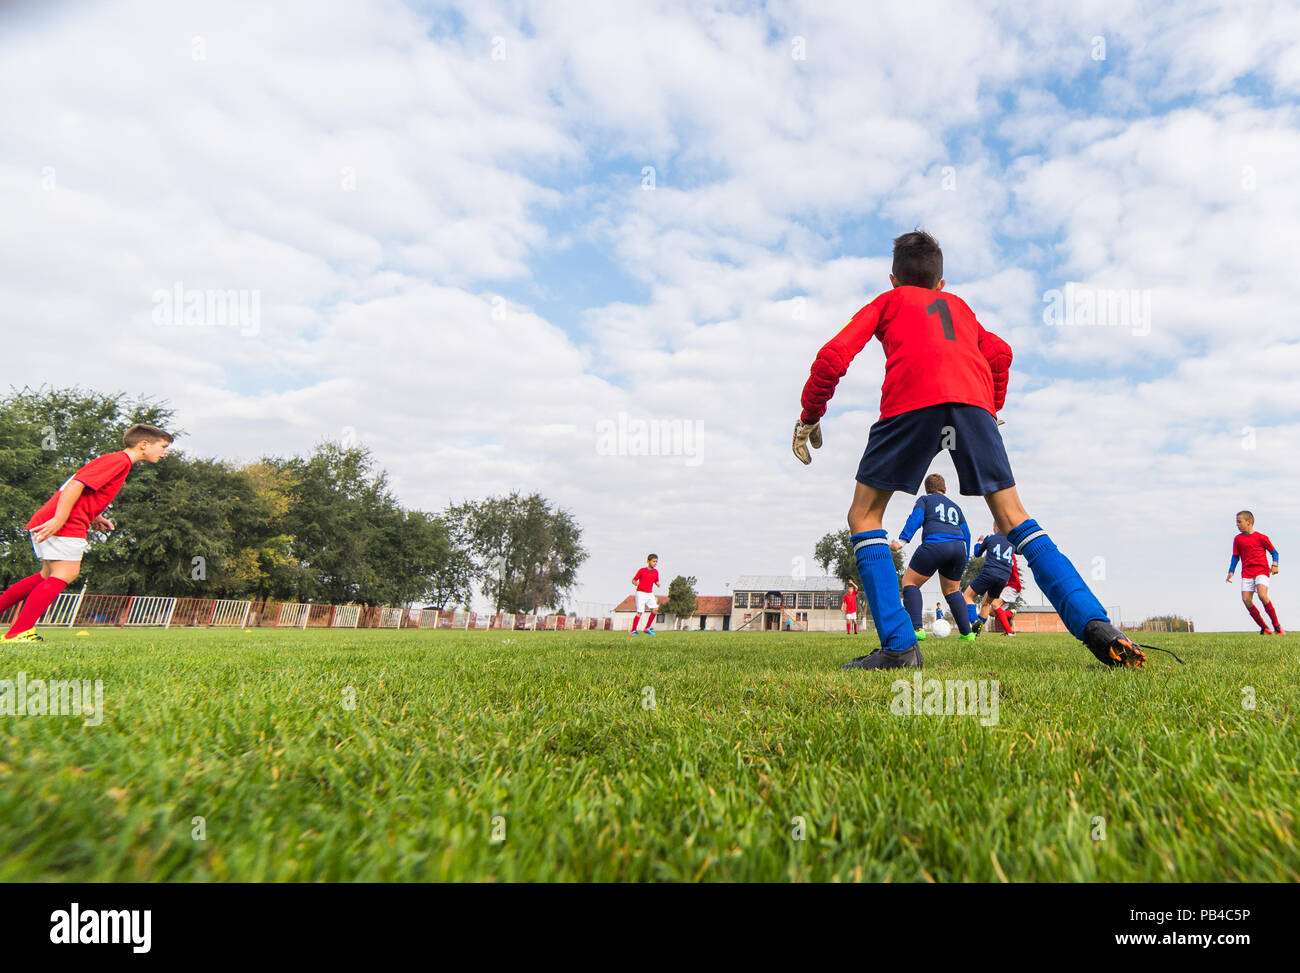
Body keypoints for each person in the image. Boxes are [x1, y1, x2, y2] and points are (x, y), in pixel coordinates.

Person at [792, 230, 1146, 670]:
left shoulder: (888, 302)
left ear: (893, 280)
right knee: (1016, 518)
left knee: (865, 517)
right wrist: (990, 410)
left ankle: (900, 648)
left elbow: (833, 356)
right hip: (973, 407)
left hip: (910, 403)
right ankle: (1098, 625)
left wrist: (810, 413)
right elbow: (1000, 352)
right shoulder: (959, 307)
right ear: (940, 284)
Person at [0, 424, 173, 642]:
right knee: (66, 573)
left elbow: (85, 491)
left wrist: (95, 516)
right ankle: (18, 633)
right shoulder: (118, 461)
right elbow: (75, 486)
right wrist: (60, 519)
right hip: (64, 522)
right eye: (163, 446)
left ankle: (18, 630)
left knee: (46, 575)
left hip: (60, 519)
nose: (165, 452)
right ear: (144, 445)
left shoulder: (118, 462)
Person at [890, 473, 973, 641]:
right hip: (959, 547)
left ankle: (917, 630)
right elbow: (967, 533)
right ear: (945, 489)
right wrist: (965, 558)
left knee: (910, 582)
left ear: (927, 490)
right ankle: (967, 634)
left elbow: (916, 518)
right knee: (952, 590)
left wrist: (902, 541)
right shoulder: (956, 507)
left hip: (935, 544)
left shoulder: (925, 500)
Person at [1226, 511, 1283, 635]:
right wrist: (1231, 571)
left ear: (1249, 522)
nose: (1237, 524)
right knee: (1246, 600)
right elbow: (1235, 557)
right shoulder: (1238, 539)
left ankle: (1277, 626)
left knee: (1262, 595)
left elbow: (1275, 553)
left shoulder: (1261, 537)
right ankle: (1265, 628)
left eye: (1239, 522)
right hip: (1247, 573)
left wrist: (1275, 565)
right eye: (1236, 522)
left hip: (1261, 571)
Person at [963, 527, 1015, 634]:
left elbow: (977, 553)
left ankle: (974, 621)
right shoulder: (1012, 541)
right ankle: (976, 632)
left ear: (996, 527)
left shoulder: (991, 538)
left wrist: (980, 542)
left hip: (990, 572)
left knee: (968, 596)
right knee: (986, 604)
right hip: (1004, 577)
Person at [629, 554, 660, 635]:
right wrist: (635, 583)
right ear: (648, 561)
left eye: (656, 562)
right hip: (641, 593)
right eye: (653, 561)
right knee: (640, 612)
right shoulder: (642, 570)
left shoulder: (656, 572)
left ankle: (647, 628)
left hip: (649, 593)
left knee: (655, 609)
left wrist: (657, 584)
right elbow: (634, 580)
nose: (655, 563)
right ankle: (633, 630)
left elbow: (656, 581)